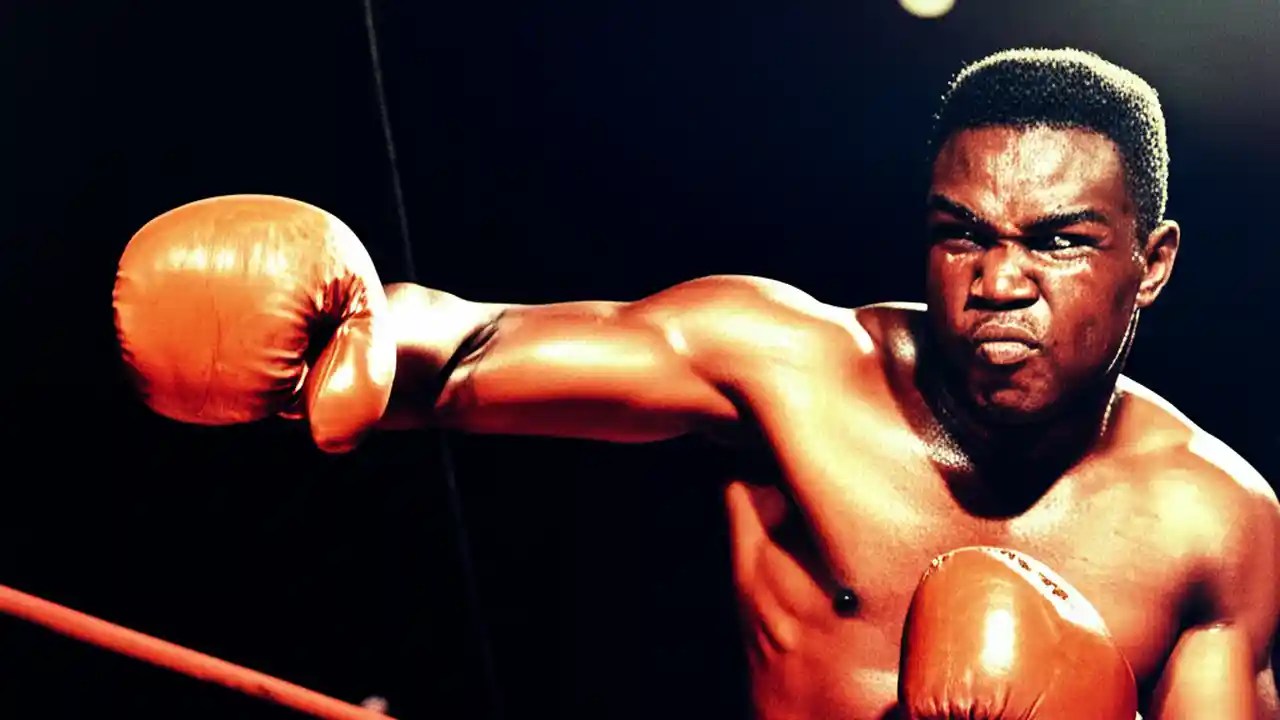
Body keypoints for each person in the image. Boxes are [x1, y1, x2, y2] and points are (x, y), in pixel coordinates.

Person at [113, 48, 1279, 719]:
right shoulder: (791, 368)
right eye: (960, 233)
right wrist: (355, 335)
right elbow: (471, 348)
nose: (998, 281)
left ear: (1151, 264)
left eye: (1059, 242)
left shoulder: (1209, 521)